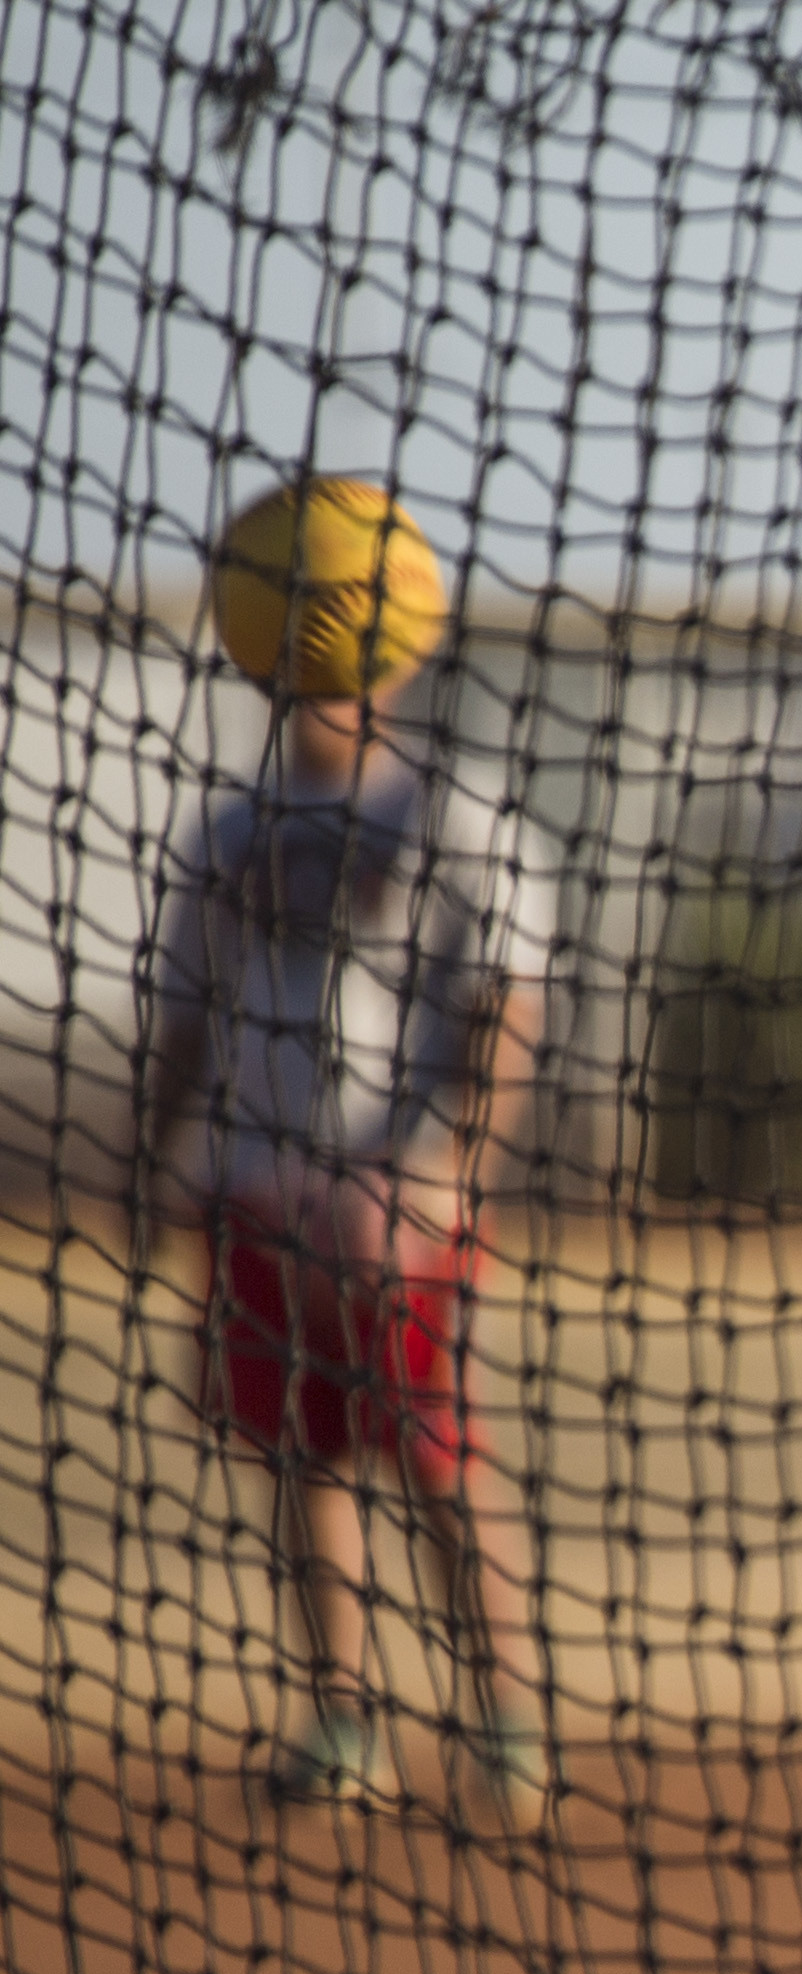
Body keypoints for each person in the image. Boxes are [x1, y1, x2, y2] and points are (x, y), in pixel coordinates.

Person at [130, 492, 558, 1833]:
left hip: (393, 1198)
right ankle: (341, 1711)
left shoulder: (456, 816)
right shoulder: (227, 833)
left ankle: (501, 1712)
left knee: (433, 1456)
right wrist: (154, 1162)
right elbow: (186, 1018)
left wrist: (448, 1168)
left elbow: (509, 1006)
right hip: (260, 1185)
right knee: (305, 1458)